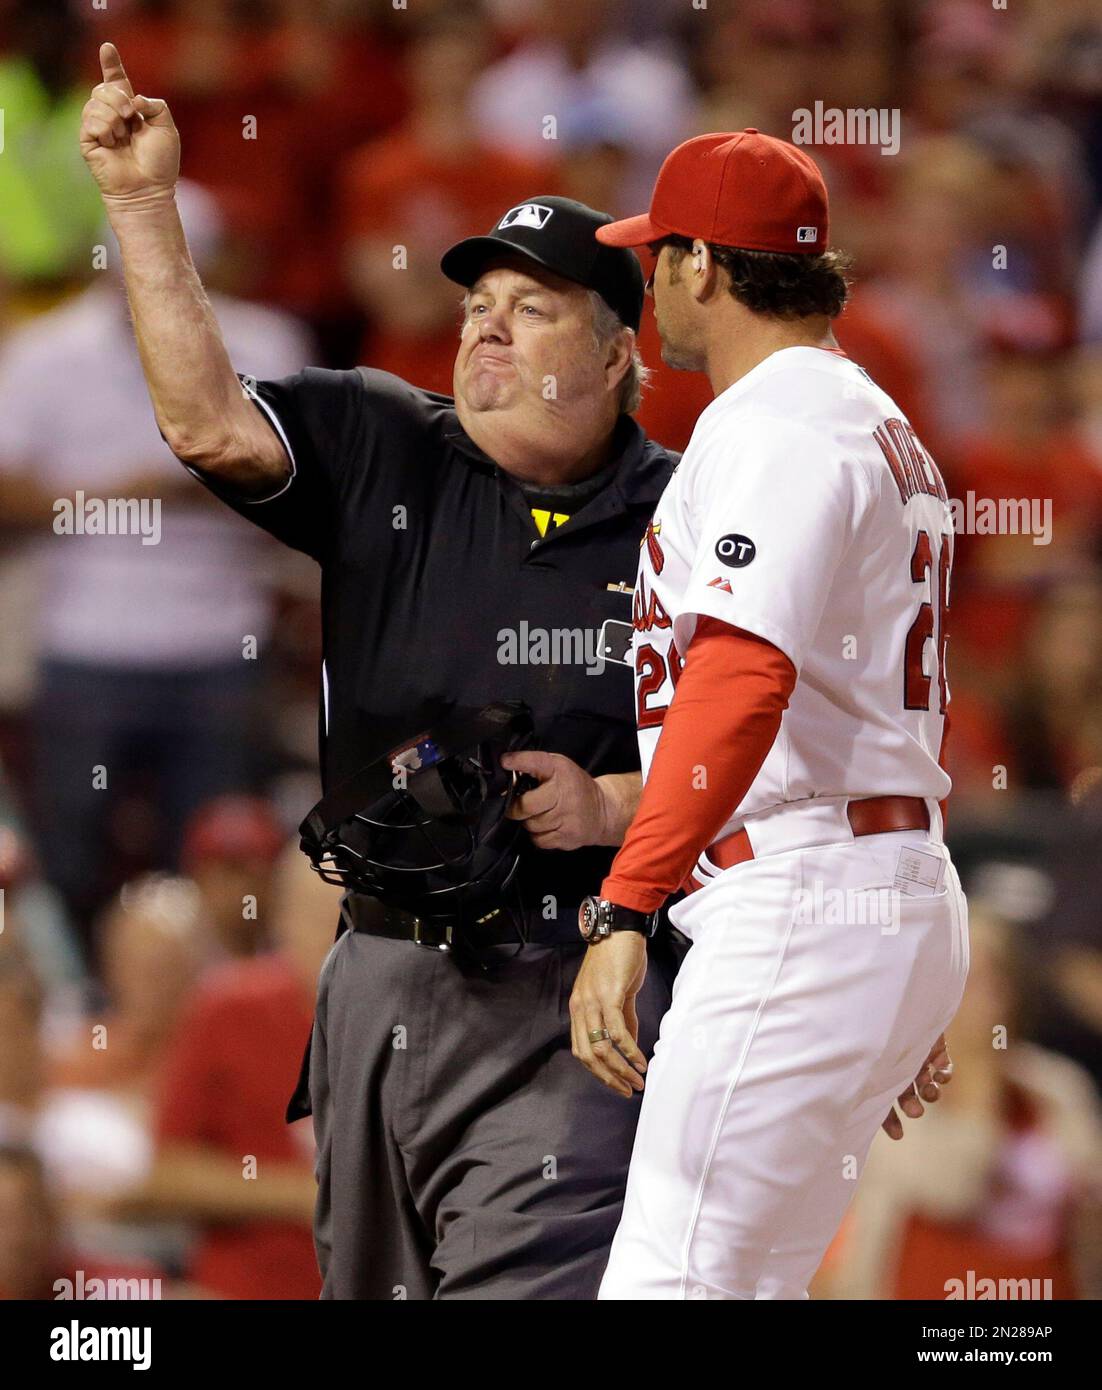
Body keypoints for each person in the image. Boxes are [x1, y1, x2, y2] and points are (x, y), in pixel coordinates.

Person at [79, 43, 681, 1299]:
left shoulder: (693, 507)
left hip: (582, 981)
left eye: (533, 307)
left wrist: (612, 804)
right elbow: (205, 421)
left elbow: (779, 737)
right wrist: (141, 207)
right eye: (475, 306)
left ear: (620, 351)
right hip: (379, 975)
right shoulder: (384, 440)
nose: (486, 329)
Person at [568, 131, 970, 1299]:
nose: (648, 284)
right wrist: (885, 972)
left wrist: (625, 906)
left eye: (656, 256)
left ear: (701, 265)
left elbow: (742, 681)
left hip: (806, 891)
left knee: (672, 1283)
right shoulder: (871, 421)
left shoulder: (777, 421)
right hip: (865, 883)